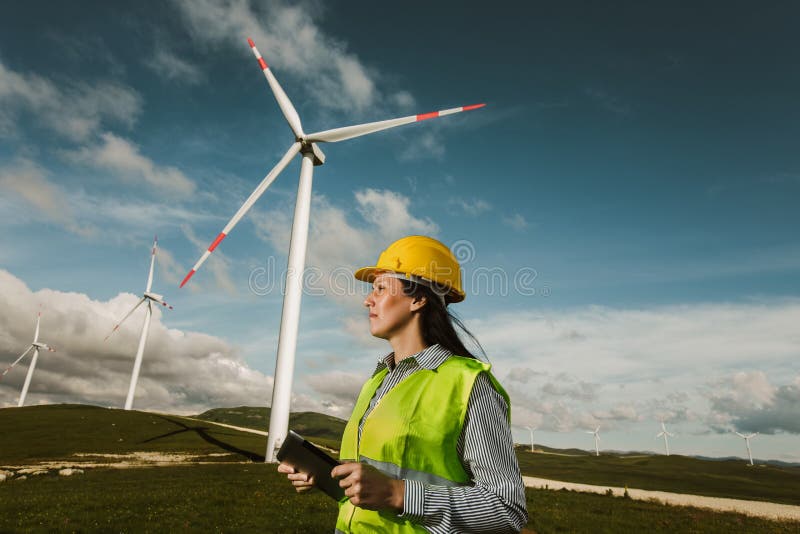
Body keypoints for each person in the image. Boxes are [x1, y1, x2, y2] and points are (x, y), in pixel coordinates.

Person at [279, 235, 528, 533]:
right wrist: (326, 476)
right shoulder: (378, 380)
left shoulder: (469, 384)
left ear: (419, 298)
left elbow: (506, 510)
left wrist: (397, 494)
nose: (367, 299)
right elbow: (372, 477)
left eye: (381, 288)